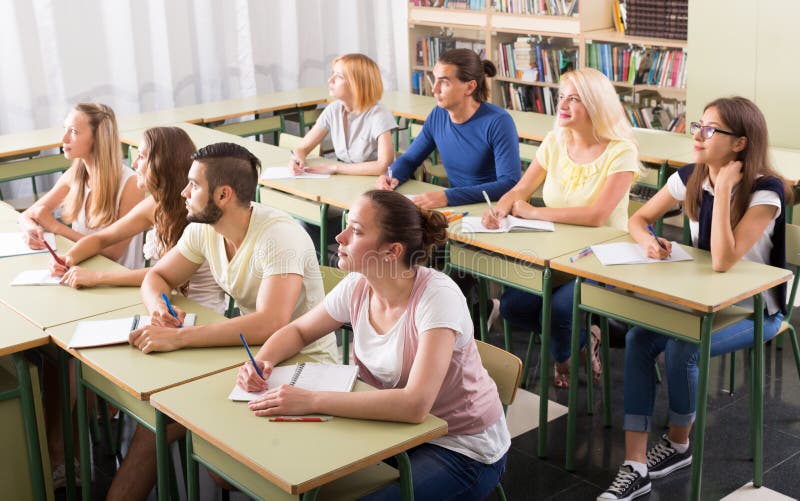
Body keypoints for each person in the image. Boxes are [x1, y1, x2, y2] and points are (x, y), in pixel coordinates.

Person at [237, 190, 510, 500]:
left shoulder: (438, 298)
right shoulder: (358, 285)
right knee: (288, 472)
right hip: (390, 431)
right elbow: (299, 331)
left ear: (392, 251)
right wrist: (262, 361)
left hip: (462, 447)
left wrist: (311, 400)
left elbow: (415, 405)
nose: (339, 237)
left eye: (355, 231)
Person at [108, 142, 339, 501]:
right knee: (158, 425)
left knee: (213, 456)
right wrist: (158, 309)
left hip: (303, 368)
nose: (183, 193)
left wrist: (179, 338)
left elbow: (271, 323)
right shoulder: (204, 228)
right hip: (249, 360)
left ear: (223, 195)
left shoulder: (280, 236)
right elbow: (157, 277)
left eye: (193, 185)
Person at [598, 97, 792, 501]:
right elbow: (638, 219)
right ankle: (635, 465)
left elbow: (722, 260)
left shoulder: (766, 192)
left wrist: (723, 189)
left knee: (683, 345)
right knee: (638, 338)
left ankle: (679, 443)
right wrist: (648, 242)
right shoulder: (689, 176)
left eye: (711, 129)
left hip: (754, 310)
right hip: (702, 300)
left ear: (739, 143)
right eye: (698, 125)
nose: (699, 135)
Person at [482, 68, 640, 388]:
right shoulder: (555, 141)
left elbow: (597, 215)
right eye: (562, 97)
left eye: (574, 99)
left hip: (602, 256)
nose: (563, 105)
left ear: (596, 105)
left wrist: (535, 213)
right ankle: (583, 341)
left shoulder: (622, 150)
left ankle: (563, 358)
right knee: (512, 306)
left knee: (558, 309)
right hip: (554, 252)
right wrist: (499, 209)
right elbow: (520, 190)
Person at [48, 126, 227, 313]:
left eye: (141, 157)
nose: (133, 165)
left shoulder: (195, 212)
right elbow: (102, 238)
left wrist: (97, 277)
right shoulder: (155, 204)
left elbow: (164, 274)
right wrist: (69, 258)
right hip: (162, 301)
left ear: (161, 163)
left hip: (201, 311)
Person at [375, 48, 521, 209]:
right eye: (435, 79)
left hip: (494, 208)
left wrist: (448, 196)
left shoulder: (499, 122)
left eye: (444, 82)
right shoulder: (438, 115)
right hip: (459, 206)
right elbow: (410, 159)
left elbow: (508, 184)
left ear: (470, 87)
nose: (434, 89)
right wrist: (391, 176)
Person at [19, 102, 145, 268]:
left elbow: (113, 253)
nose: (64, 139)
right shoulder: (75, 175)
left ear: (98, 139)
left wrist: (56, 227)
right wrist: (31, 230)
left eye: (73, 131)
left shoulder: (131, 184)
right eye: (65, 129)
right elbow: (27, 215)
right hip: (79, 269)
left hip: (115, 277)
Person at [290, 53, 396, 175]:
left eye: (339, 76)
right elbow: (302, 148)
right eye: (332, 74)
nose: (330, 80)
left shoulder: (379, 115)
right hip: (349, 179)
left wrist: (335, 168)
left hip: (377, 182)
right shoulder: (333, 109)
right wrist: (297, 160)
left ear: (357, 83)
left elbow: (383, 166)